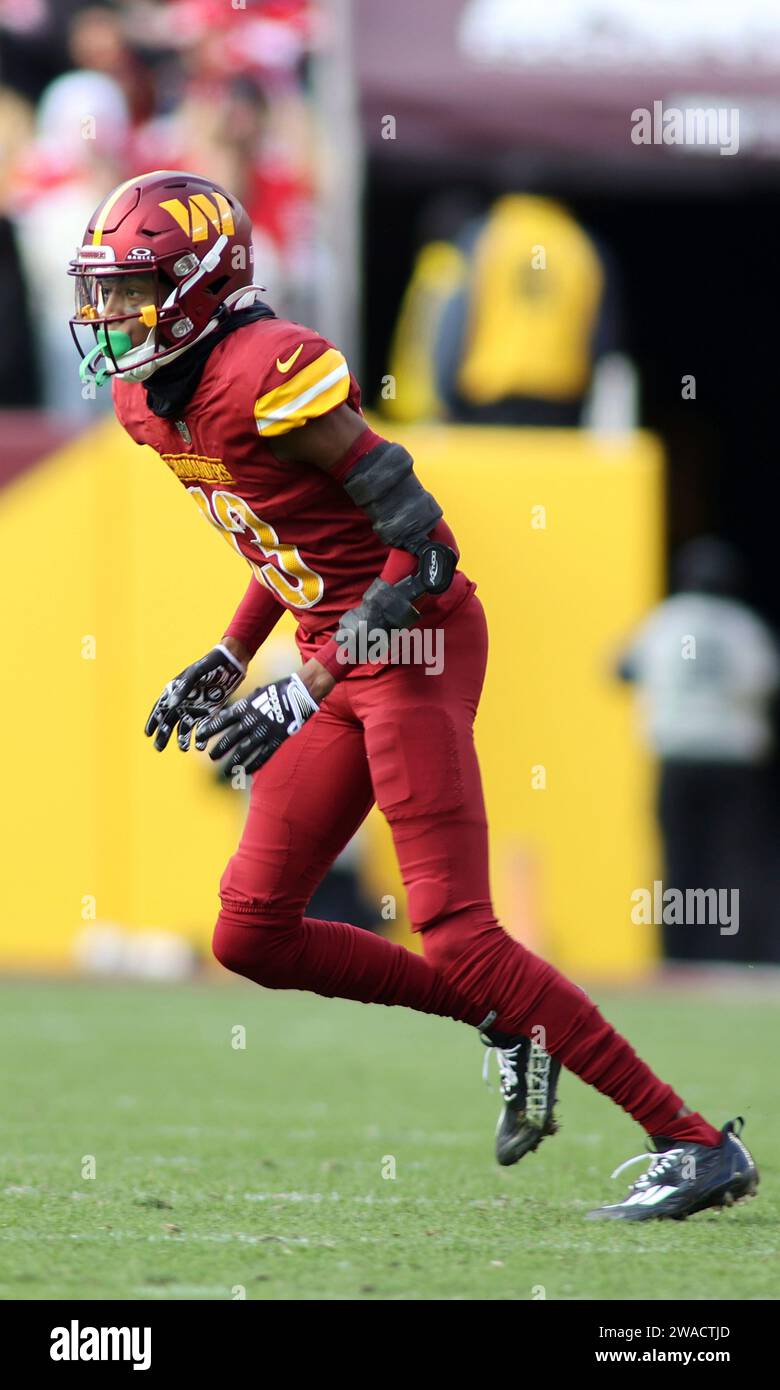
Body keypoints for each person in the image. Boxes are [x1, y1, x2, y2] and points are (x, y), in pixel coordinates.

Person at [67, 169, 759, 1222]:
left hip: (414, 639)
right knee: (251, 932)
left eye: (131, 292)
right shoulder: (148, 401)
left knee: (462, 931)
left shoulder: (268, 371)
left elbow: (424, 549)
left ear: (201, 288)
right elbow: (283, 531)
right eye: (104, 293)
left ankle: (693, 1140)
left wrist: (304, 687)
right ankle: (503, 1020)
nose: (108, 316)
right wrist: (228, 649)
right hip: (332, 640)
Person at [617, 536, 780, 964]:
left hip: (679, 757)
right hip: (735, 758)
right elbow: (766, 681)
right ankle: (733, 954)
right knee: (734, 862)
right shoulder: (746, 626)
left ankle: (680, 955)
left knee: (680, 860)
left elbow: (621, 669)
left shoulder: (665, 621)